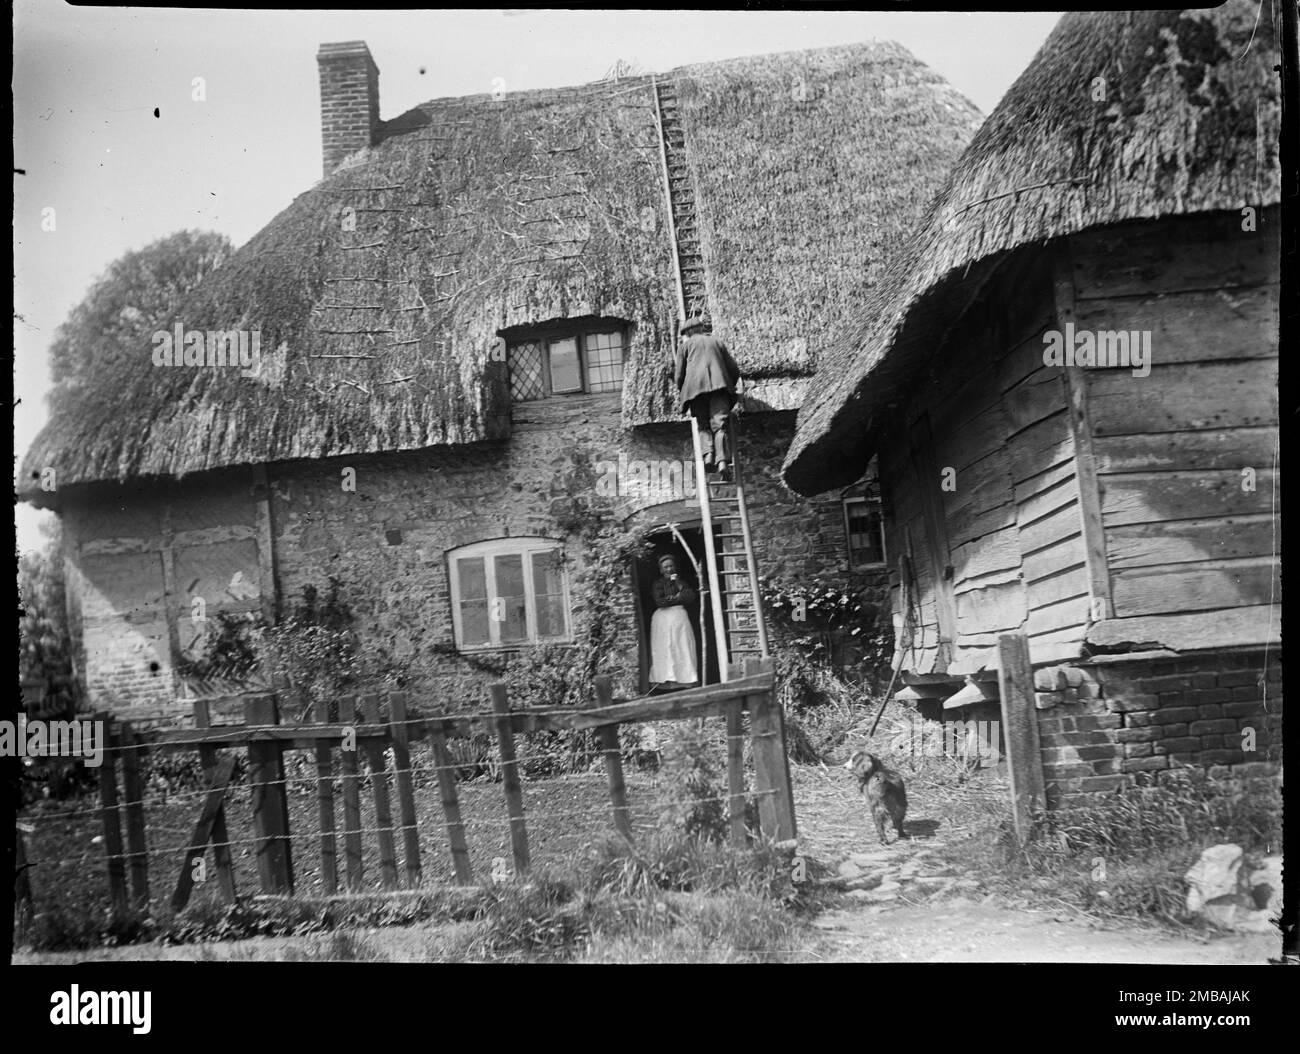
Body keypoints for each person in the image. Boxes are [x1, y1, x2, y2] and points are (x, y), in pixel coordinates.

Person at [674, 315, 742, 479]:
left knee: (704, 425)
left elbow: (679, 376)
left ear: (689, 332)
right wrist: (728, 384)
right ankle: (722, 462)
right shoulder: (716, 341)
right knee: (720, 425)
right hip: (720, 388)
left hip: (695, 392)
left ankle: (708, 456)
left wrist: (684, 390)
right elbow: (734, 369)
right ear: (701, 329)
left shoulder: (685, 347)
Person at [649, 554, 699, 688]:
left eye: (671, 566)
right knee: (665, 648)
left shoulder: (681, 583)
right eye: (666, 567)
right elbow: (660, 601)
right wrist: (677, 597)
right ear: (661, 570)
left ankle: (686, 679)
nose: (669, 569)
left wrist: (677, 585)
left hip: (679, 619)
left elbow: (689, 597)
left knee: (682, 647)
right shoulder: (658, 584)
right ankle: (666, 681)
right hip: (663, 620)